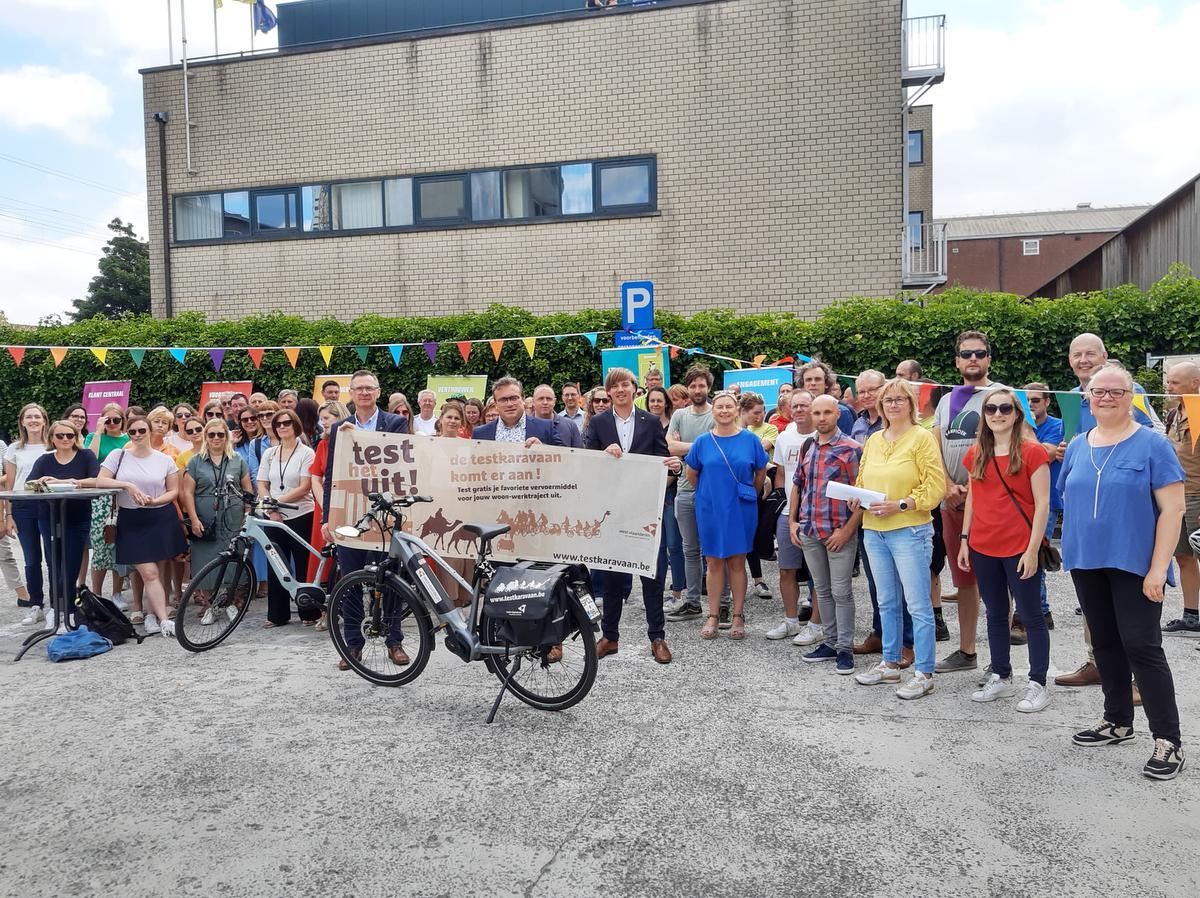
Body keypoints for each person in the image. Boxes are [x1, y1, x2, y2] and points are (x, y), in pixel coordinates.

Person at [1059, 364, 1186, 780]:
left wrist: (1158, 568)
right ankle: (1117, 721)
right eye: (1100, 391)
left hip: (1135, 564)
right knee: (1106, 644)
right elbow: (1069, 499)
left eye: (1117, 391)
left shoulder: (1153, 445)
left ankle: (1169, 740)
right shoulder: (1078, 445)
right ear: (1088, 397)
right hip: (1087, 562)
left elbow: (1173, 510)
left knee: (1142, 648)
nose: (1107, 397)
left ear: (1131, 396)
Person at [1055, 333, 1160, 687]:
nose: (1083, 360)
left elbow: (1154, 436)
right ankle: (1097, 662)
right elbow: (1073, 446)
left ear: (1105, 355)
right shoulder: (1071, 399)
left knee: (1131, 609)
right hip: (1088, 514)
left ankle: (1136, 678)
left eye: (1090, 353)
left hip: (1126, 516)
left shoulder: (1132, 392)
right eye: (1076, 354)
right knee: (1095, 604)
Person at [958, 388, 1052, 712]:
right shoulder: (975, 453)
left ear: (1016, 414)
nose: (997, 414)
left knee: (1029, 616)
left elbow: (1043, 504)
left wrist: (1032, 549)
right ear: (984, 415)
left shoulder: (1032, 452)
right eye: (991, 409)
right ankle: (1001, 674)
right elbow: (973, 497)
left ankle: (1038, 682)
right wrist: (964, 539)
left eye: (1005, 409)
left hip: (1018, 545)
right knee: (996, 614)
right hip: (983, 545)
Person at [853, 378, 945, 699]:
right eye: (888, 400)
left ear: (911, 404)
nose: (893, 404)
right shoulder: (875, 440)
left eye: (899, 399)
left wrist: (901, 503)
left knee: (918, 604)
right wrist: (857, 496)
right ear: (881, 405)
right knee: (886, 601)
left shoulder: (922, 439)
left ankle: (924, 672)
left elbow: (935, 488)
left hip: (910, 529)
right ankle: (890, 663)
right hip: (874, 530)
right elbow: (863, 478)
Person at [585, 367, 678, 663]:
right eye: (615, 386)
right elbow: (585, 462)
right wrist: (602, 454)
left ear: (635, 389)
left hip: (646, 510)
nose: (621, 390)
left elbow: (663, 462)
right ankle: (610, 637)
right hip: (613, 512)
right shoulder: (598, 423)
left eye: (626, 384)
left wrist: (673, 468)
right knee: (612, 578)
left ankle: (657, 637)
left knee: (652, 576)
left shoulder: (650, 422)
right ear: (609, 392)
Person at [321, 369, 410, 669]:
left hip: (385, 515)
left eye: (369, 388)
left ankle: (394, 641)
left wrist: (359, 439)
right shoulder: (339, 428)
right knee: (349, 580)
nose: (364, 393)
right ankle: (353, 645)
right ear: (352, 394)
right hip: (349, 514)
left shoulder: (396, 423)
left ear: (378, 391)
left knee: (391, 581)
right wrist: (326, 518)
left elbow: (401, 464)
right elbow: (331, 475)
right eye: (358, 389)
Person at [933, 330, 1005, 674]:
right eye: (966, 354)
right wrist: (946, 485)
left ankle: (999, 658)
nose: (973, 359)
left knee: (997, 581)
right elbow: (935, 446)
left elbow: (1012, 449)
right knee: (964, 580)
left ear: (989, 358)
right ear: (957, 361)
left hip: (990, 504)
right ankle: (967, 651)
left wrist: (973, 489)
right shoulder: (947, 401)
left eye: (979, 353)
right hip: (952, 504)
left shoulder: (1002, 396)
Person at [86, 415, 187, 637]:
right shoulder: (118, 455)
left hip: (160, 516)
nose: (138, 435)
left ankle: (155, 616)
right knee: (148, 572)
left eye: (142, 430)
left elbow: (173, 491)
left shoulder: (164, 460)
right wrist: (128, 485)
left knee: (158, 570)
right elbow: (101, 480)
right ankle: (161, 619)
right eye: (132, 432)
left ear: (150, 431)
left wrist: (155, 500)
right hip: (131, 519)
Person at [685, 391, 768, 641]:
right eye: (719, 407)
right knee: (712, 562)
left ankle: (738, 616)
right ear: (713, 411)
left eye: (728, 407)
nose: (723, 411)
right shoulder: (702, 441)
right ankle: (712, 615)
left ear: (737, 410)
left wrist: (749, 494)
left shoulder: (750, 440)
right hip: (710, 506)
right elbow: (692, 474)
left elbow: (761, 471)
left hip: (741, 507)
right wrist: (709, 494)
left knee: (736, 562)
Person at [789, 395, 863, 672]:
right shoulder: (808, 446)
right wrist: (793, 522)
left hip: (837, 533)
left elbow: (862, 497)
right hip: (810, 530)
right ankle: (830, 642)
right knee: (821, 590)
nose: (821, 418)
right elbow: (798, 484)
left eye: (826, 412)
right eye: (816, 412)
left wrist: (846, 531)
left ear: (837, 414)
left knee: (842, 592)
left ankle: (845, 648)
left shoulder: (852, 449)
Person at [22, 420, 98, 630]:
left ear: (76, 437)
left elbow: (96, 479)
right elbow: (29, 484)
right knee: (54, 563)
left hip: (77, 517)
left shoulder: (86, 456)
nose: (65, 439)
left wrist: (71, 481)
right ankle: (56, 609)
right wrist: (42, 482)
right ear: (52, 438)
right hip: (49, 516)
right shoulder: (45, 459)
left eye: (70, 435)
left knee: (71, 564)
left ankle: (69, 610)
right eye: (60, 436)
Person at [180, 418, 253, 624]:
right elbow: (187, 492)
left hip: (232, 515)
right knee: (206, 561)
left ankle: (230, 603)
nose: (216, 438)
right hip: (205, 516)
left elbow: (247, 488)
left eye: (220, 434)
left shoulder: (237, 459)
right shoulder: (195, 461)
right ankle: (211, 605)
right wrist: (193, 519)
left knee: (233, 560)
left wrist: (247, 515)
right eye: (211, 434)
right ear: (206, 437)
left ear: (226, 437)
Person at [765, 389, 819, 642]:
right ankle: (790, 621)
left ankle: (817, 625)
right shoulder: (785, 437)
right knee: (786, 570)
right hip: (788, 513)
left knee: (818, 574)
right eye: (794, 406)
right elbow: (781, 474)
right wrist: (782, 501)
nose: (798, 410)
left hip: (818, 515)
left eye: (804, 405)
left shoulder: (822, 435)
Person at [257, 409, 317, 628]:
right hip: (273, 515)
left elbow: (304, 486)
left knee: (302, 565)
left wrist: (278, 500)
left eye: (287, 423)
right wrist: (270, 505)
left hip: (300, 513)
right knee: (276, 564)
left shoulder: (306, 452)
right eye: (278, 424)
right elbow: (262, 483)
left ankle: (309, 612)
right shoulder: (270, 453)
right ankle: (277, 614)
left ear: (295, 425)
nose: (282, 427)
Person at [666, 364, 716, 622]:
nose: (698, 389)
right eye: (693, 385)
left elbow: (719, 446)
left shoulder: (717, 413)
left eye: (702, 385)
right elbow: (671, 447)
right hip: (684, 491)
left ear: (708, 386)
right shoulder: (679, 415)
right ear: (688, 388)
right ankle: (693, 602)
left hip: (713, 491)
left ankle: (724, 604)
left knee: (716, 549)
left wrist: (686, 447)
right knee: (690, 550)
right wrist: (703, 444)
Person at [1161, 362, 1200, 636]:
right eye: (1168, 381)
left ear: (1195, 383)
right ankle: (1191, 615)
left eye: (1174, 382)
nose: (1168, 387)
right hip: (1178, 495)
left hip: (1198, 495)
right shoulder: (1174, 413)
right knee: (1184, 557)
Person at [1024, 382, 1065, 635]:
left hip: (1046, 501)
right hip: (1020, 501)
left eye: (1036, 400)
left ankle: (1035, 614)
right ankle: (1041, 610)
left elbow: (1044, 454)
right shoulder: (1015, 424)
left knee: (1036, 555)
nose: (1030, 405)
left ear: (1047, 402)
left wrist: (1025, 429)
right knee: (1024, 555)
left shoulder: (1057, 426)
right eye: (1026, 400)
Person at [5, 404, 51, 626]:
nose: (33, 420)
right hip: (23, 507)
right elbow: (10, 485)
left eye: (37, 416)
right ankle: (36, 605)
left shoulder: (53, 444)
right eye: (29, 417)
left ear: (44, 420)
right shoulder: (14, 448)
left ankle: (58, 605)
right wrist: (8, 514)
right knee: (32, 559)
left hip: (49, 504)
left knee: (53, 557)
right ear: (22, 421)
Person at [83, 404, 130, 604]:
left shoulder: (128, 439)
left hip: (121, 494)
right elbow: (90, 460)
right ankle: (97, 594)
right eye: (107, 420)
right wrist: (98, 432)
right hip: (100, 498)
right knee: (100, 546)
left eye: (116, 420)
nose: (112, 424)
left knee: (119, 545)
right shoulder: (93, 437)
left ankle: (117, 593)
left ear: (122, 421)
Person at [645, 386, 686, 604]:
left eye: (659, 401)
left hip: (670, 490)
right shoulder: (644, 426)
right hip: (651, 492)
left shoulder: (673, 427)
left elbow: (675, 458)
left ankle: (678, 592)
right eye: (652, 401)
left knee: (674, 545)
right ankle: (656, 594)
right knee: (656, 548)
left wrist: (662, 485)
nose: (655, 404)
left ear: (666, 403)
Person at [739, 392, 778, 600]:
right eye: (755, 412)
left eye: (762, 411)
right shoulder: (732, 432)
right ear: (743, 411)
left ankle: (758, 579)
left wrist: (755, 489)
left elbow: (761, 462)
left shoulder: (756, 434)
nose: (760, 415)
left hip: (752, 492)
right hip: (734, 493)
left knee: (752, 537)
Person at [306, 400, 348, 592]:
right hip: (324, 507)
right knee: (323, 555)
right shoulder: (323, 444)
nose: (323, 422)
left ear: (339, 417)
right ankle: (324, 604)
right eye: (321, 418)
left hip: (347, 505)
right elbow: (315, 477)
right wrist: (325, 504)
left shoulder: (351, 441)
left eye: (326, 418)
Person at [472, 378, 561, 446]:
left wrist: (543, 450)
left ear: (522, 399)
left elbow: (565, 459)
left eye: (513, 398)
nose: (509, 404)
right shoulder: (480, 433)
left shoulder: (546, 427)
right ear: (495, 404)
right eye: (503, 400)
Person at [800, 361, 855, 434]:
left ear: (826, 383)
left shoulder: (842, 412)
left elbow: (847, 443)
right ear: (803, 385)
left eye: (817, 379)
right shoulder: (798, 412)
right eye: (808, 380)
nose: (813, 383)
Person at [531, 383, 582, 448]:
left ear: (554, 401)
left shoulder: (570, 425)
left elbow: (579, 454)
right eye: (541, 399)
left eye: (549, 399)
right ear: (533, 402)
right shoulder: (525, 426)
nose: (545, 402)